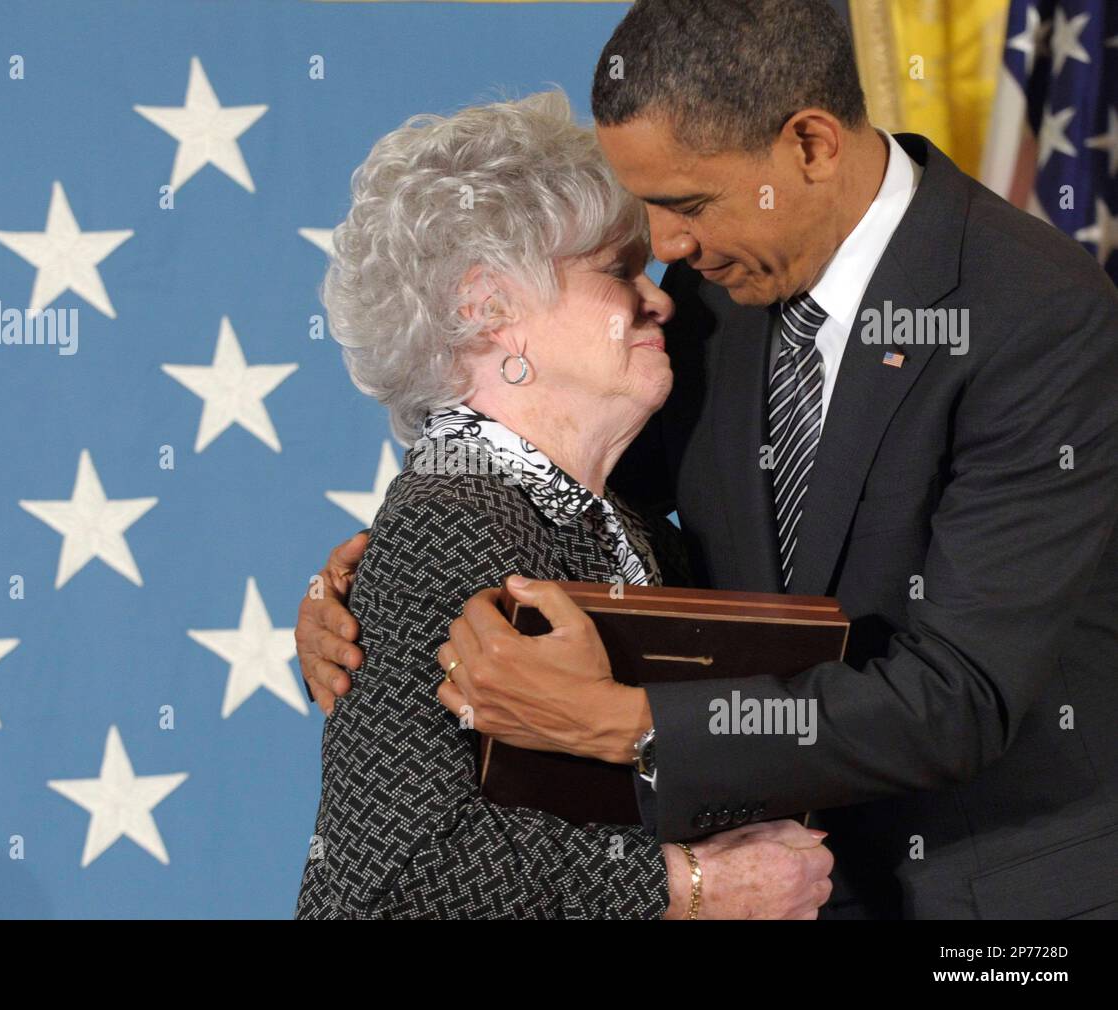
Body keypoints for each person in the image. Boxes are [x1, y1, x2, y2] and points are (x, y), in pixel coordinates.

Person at [297, 0, 1118, 919]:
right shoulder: (718, 287)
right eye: (645, 211)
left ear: (810, 145)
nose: (665, 252)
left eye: (686, 205)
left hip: (994, 907)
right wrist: (361, 600)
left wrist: (629, 727)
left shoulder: (1038, 316)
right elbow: (569, 502)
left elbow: (957, 694)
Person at [295, 89, 833, 919]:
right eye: (617, 271)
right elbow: (391, 878)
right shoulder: (444, 529)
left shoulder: (624, 527)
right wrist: (697, 886)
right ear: (491, 312)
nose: (659, 298)